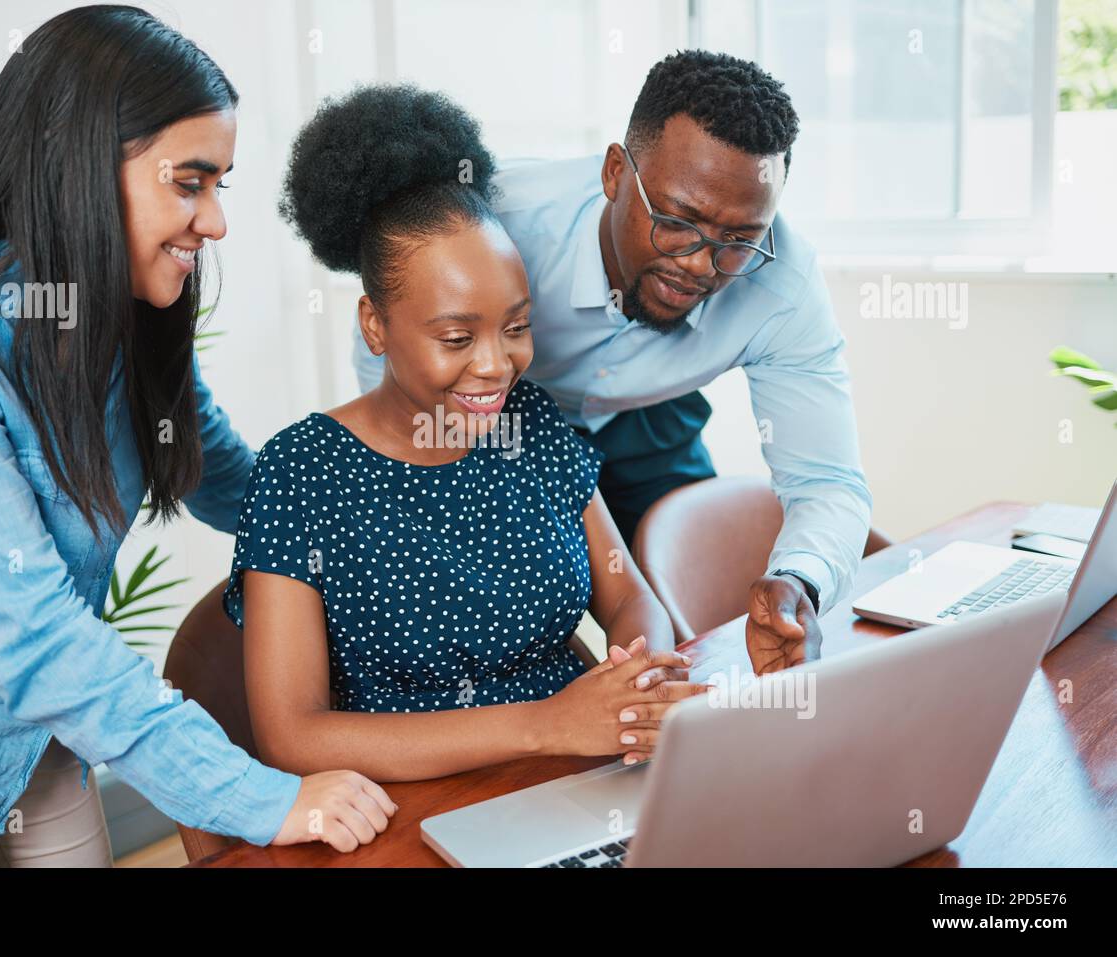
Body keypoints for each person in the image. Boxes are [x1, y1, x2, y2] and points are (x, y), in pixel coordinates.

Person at [0, 4, 392, 867]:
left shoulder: (116, 312)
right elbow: (29, 628)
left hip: (35, 720)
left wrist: (385, 514)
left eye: (219, 185)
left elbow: (222, 472)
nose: (217, 221)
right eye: (188, 182)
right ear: (76, 163)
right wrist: (258, 798)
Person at [223, 83, 704, 783]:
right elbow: (293, 733)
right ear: (374, 325)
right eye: (455, 337)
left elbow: (627, 593)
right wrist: (547, 724)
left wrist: (641, 675)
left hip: (577, 780)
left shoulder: (531, 424)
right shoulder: (303, 471)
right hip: (411, 810)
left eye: (516, 327)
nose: (494, 366)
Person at [354, 50, 874, 674]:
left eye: (737, 241)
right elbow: (401, 345)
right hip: (496, 421)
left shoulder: (782, 282)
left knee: (699, 646)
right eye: (677, 222)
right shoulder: (496, 221)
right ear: (614, 173)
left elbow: (827, 483)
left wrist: (801, 582)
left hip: (648, 416)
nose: (700, 265)